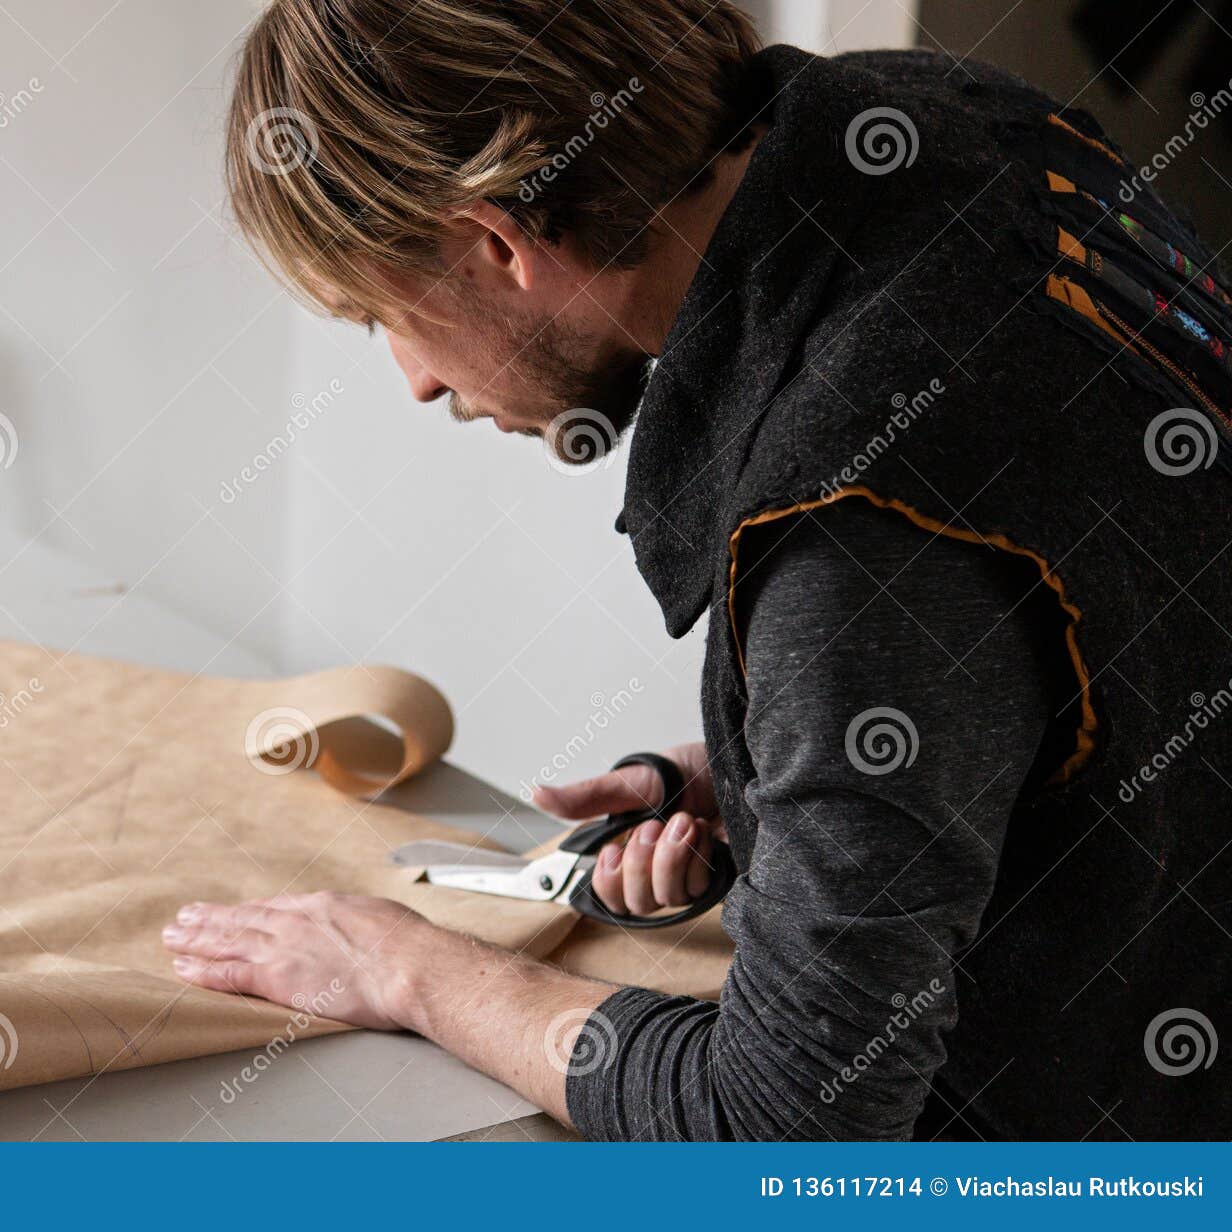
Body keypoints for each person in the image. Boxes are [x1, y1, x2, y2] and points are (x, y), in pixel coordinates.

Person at [162, 0, 1232, 1139]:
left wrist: (415, 971)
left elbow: (782, 1121)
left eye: (382, 311)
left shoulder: (857, 505)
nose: (415, 379)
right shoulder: (948, 118)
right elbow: (1104, 616)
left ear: (498, 246)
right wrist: (802, 776)